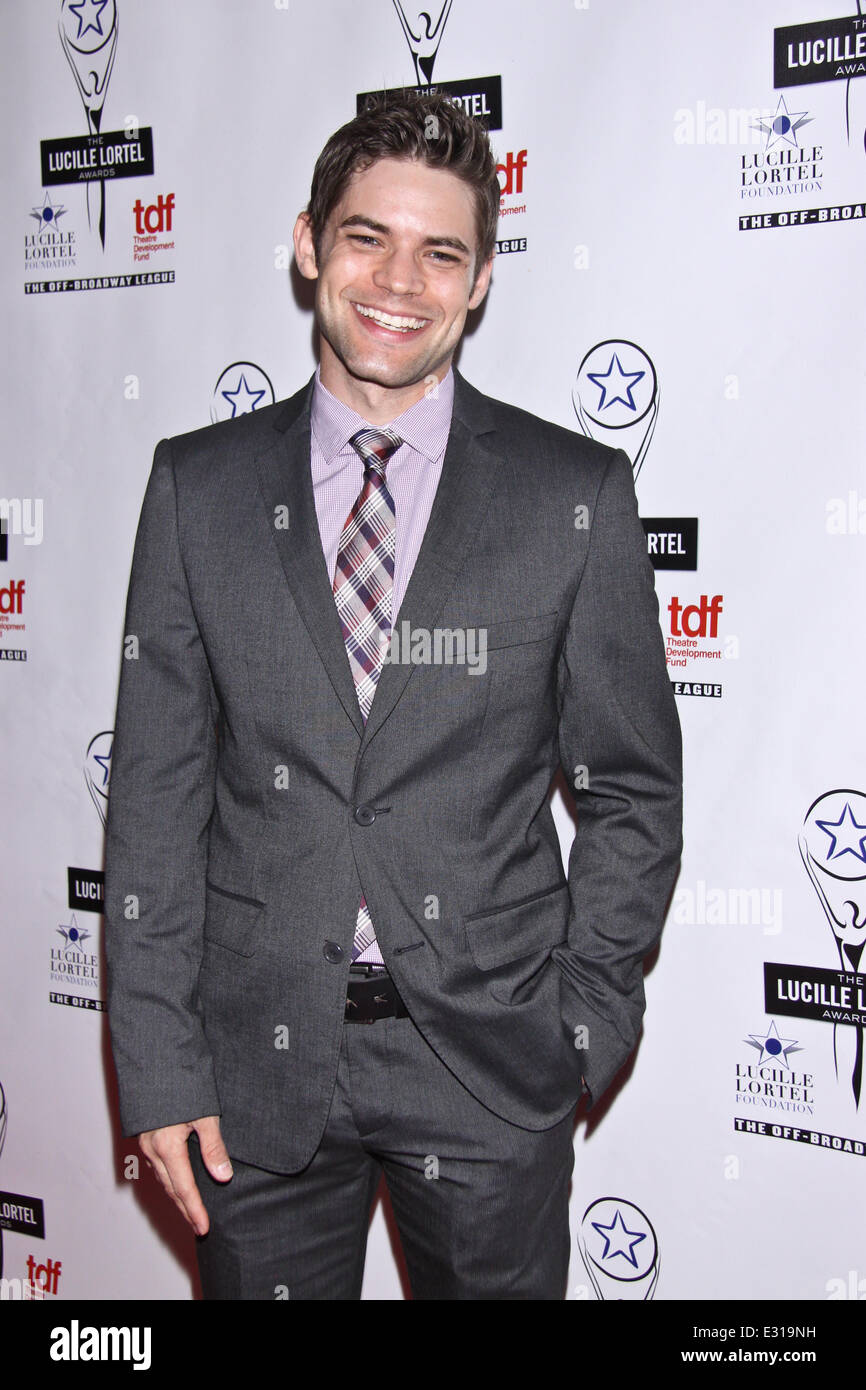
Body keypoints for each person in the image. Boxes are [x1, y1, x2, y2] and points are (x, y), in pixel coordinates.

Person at [104, 90, 682, 1301]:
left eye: (441, 254)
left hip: (487, 1065)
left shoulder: (569, 494)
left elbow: (630, 788)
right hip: (253, 1069)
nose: (398, 283)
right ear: (310, 243)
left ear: (477, 284)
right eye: (366, 238)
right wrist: (157, 1067)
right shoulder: (195, 489)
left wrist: (581, 1023)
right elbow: (151, 799)